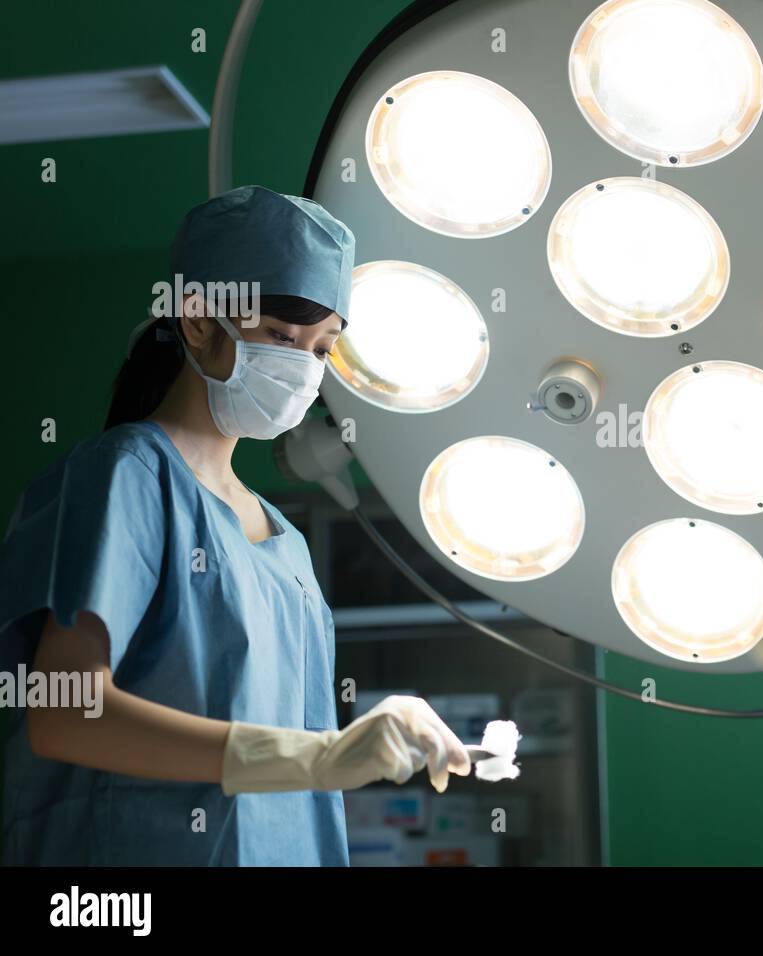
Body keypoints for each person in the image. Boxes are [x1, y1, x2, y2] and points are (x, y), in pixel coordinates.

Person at [0, 185, 470, 866]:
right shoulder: (127, 474)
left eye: (322, 348)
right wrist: (316, 755)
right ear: (197, 319)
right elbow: (66, 714)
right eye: (281, 336)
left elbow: (298, 766)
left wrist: (354, 747)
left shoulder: (288, 545)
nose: (302, 367)